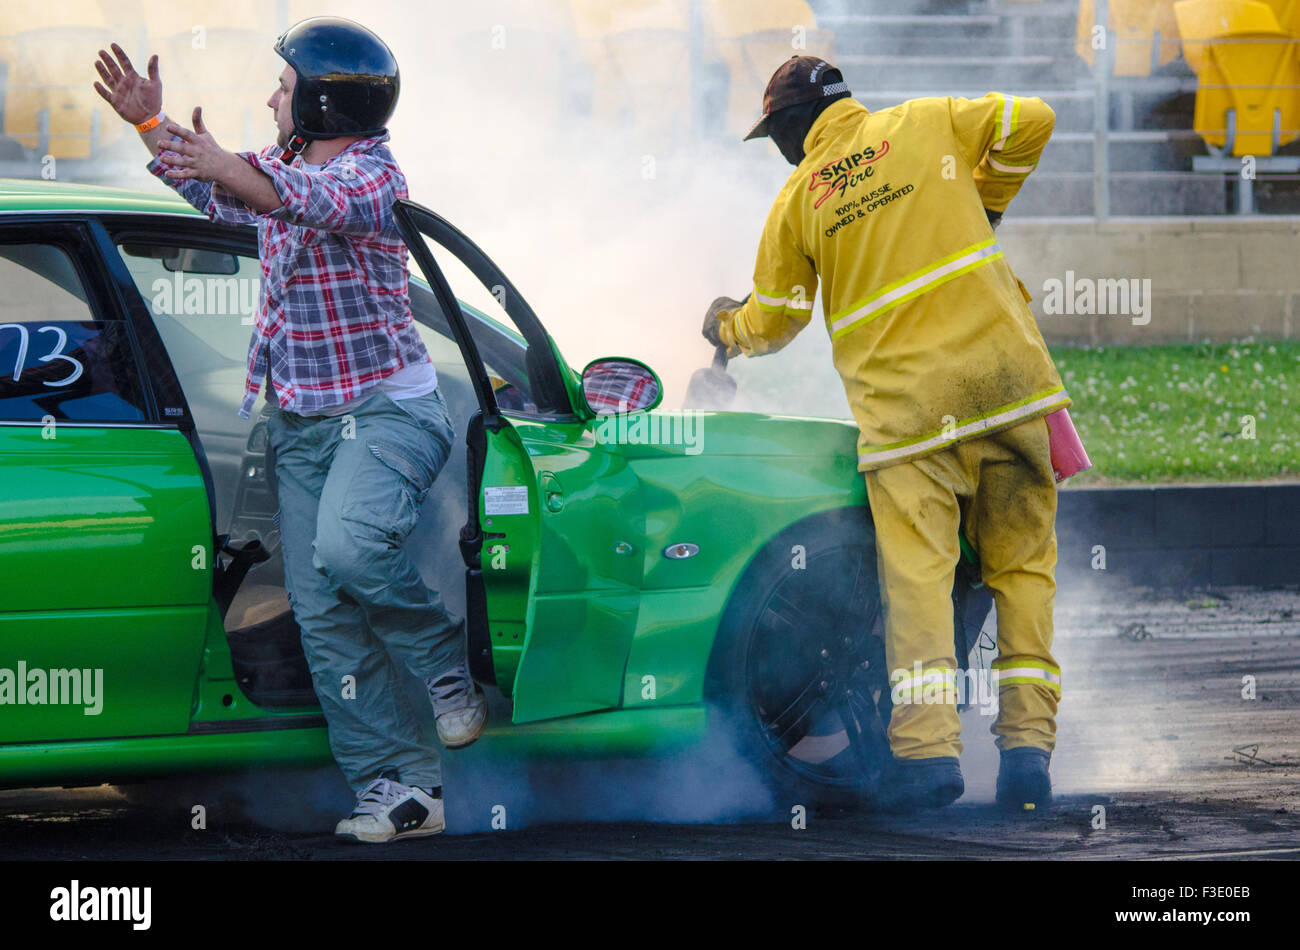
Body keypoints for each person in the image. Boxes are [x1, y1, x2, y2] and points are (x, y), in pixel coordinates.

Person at [92, 16, 487, 843]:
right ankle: (403, 790)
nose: (271, 96)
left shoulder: (371, 177)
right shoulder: (279, 166)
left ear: (320, 101)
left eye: (283, 85)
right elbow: (220, 194)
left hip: (388, 413)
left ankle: (446, 665)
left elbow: (292, 199)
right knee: (322, 615)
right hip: (301, 425)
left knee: (349, 551)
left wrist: (229, 166)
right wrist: (151, 126)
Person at [703, 56, 1069, 813]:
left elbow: (775, 320)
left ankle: (930, 754)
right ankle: (1028, 756)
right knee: (1023, 571)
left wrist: (725, 328)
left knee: (919, 582)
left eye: (775, 133)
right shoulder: (926, 122)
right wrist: (988, 200)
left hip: (908, 422)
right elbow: (1034, 118)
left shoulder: (802, 197)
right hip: (1009, 388)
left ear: (791, 127)